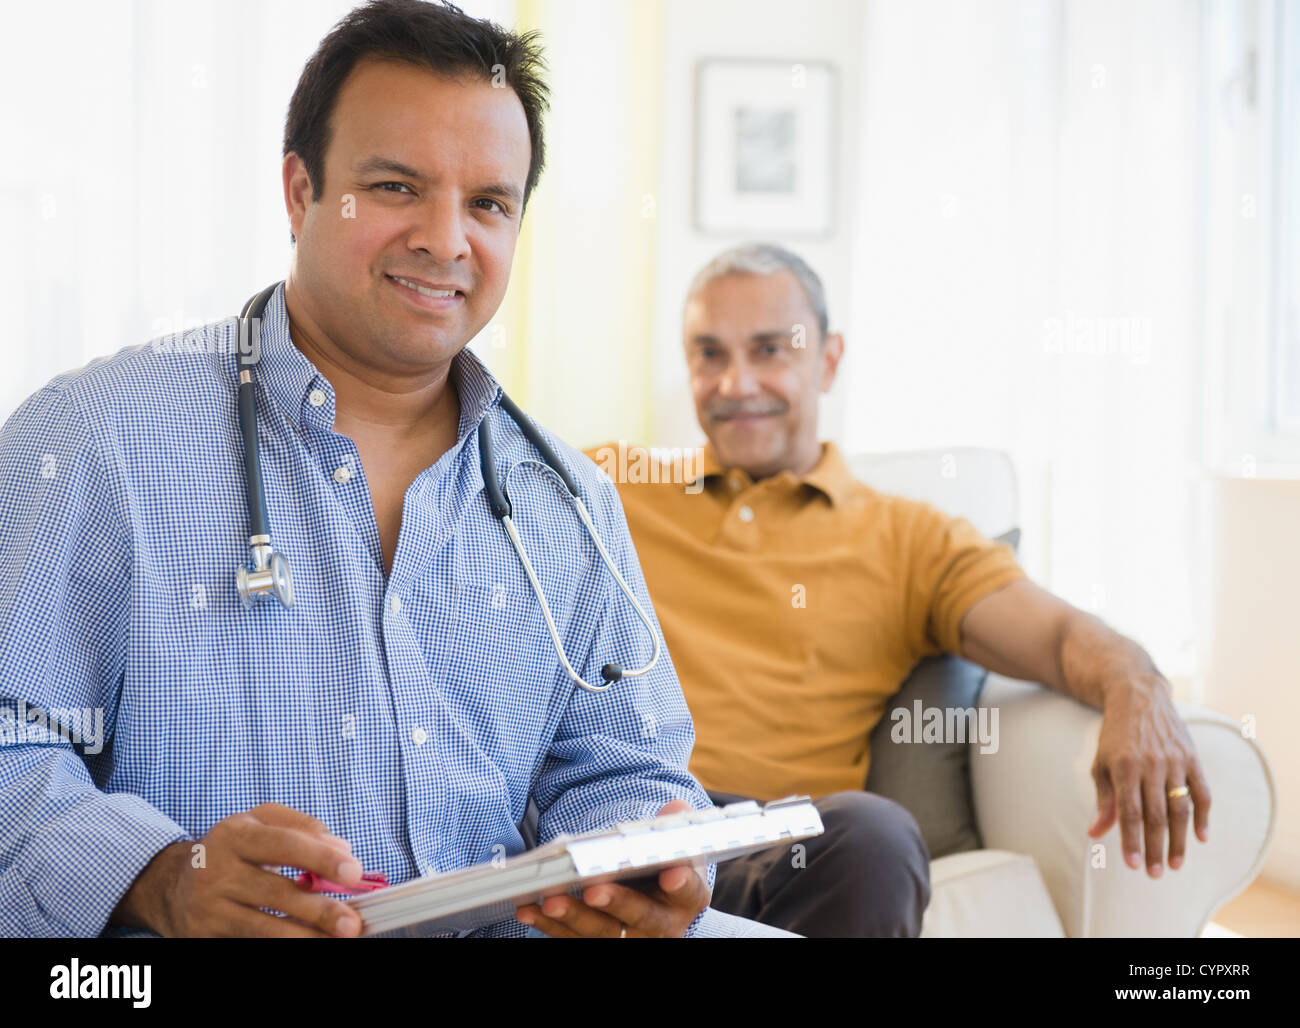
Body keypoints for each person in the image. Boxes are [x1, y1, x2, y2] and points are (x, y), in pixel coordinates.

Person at [0, 0, 792, 940]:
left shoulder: (566, 497)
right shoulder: (95, 440)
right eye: (395, 187)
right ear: (300, 192)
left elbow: (628, 770)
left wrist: (640, 875)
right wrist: (164, 877)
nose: (447, 240)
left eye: (489, 204)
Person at [584, 243, 1212, 937]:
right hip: (617, 829)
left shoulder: (910, 539)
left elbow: (1059, 638)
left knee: (874, 835)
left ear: (828, 360)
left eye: (768, 350)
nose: (735, 383)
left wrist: (1138, 688)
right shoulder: (609, 488)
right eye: (709, 354)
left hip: (771, 847)